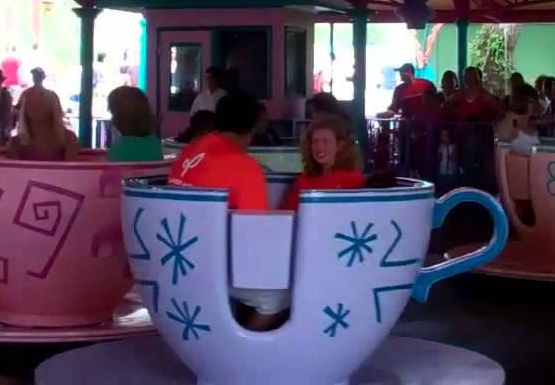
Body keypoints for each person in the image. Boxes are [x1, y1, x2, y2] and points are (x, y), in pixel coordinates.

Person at [167, 93, 283, 330]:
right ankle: (241, 350)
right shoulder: (244, 167)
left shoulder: (189, 152)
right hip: (212, 264)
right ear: (253, 127)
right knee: (278, 294)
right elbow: (253, 232)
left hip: (176, 256)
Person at [280, 119, 365, 210]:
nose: (319, 147)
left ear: (339, 146)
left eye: (326, 141)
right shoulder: (302, 181)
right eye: (315, 141)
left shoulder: (354, 179)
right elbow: (287, 215)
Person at [10, 67, 76, 161]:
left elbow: (72, 172)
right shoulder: (16, 142)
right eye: (32, 104)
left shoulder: (68, 139)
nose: (37, 107)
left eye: (42, 103)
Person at [105, 86, 163, 162]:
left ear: (118, 119)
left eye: (113, 113)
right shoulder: (155, 144)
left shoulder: (117, 149)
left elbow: (109, 173)